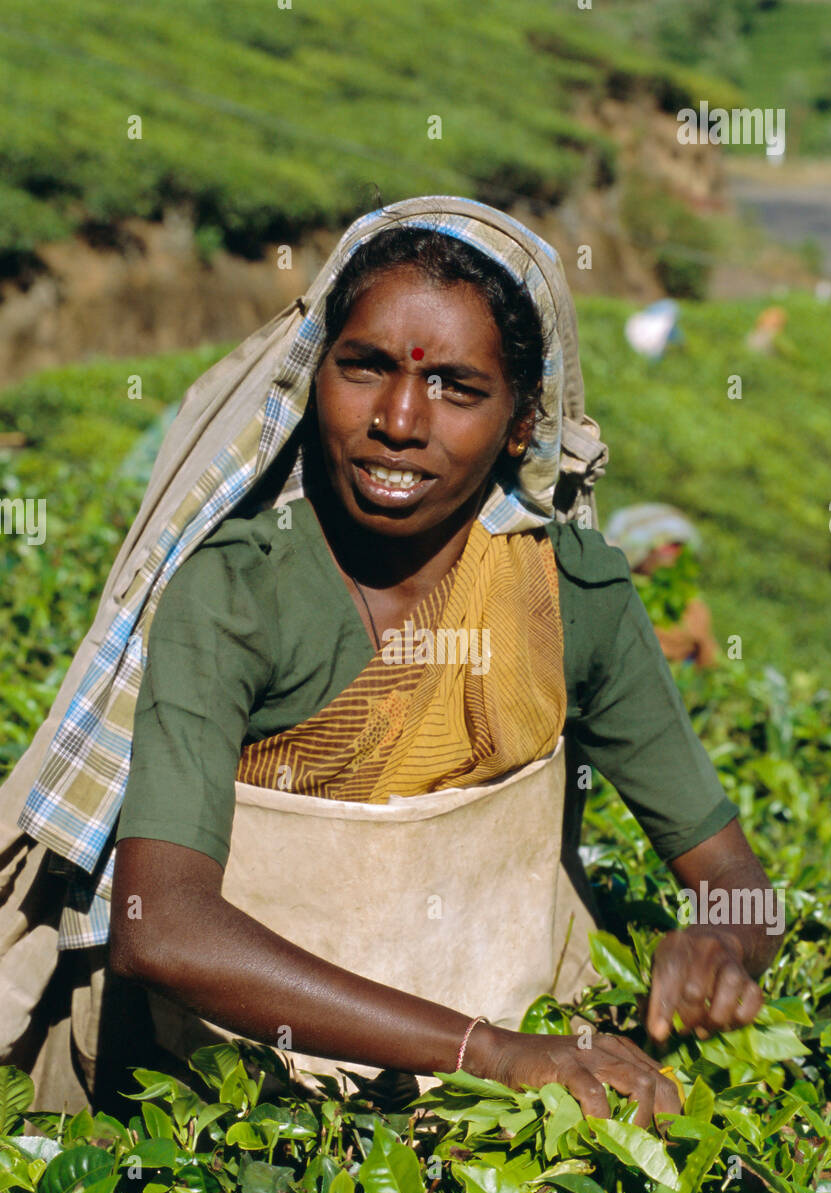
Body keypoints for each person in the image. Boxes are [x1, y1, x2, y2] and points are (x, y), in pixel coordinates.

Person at [1, 196, 779, 1129]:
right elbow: (158, 928)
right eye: (364, 368)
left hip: (522, 1092)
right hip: (236, 1106)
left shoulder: (570, 594)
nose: (399, 419)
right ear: (314, 374)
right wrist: (484, 1050)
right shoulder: (236, 593)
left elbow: (738, 883)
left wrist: (724, 948)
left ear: (523, 422)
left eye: (455, 386)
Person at [604, 504, 720, 668]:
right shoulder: (607, 594)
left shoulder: (690, 607)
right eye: (667, 545)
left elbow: (710, 661)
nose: (673, 553)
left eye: (679, 546)